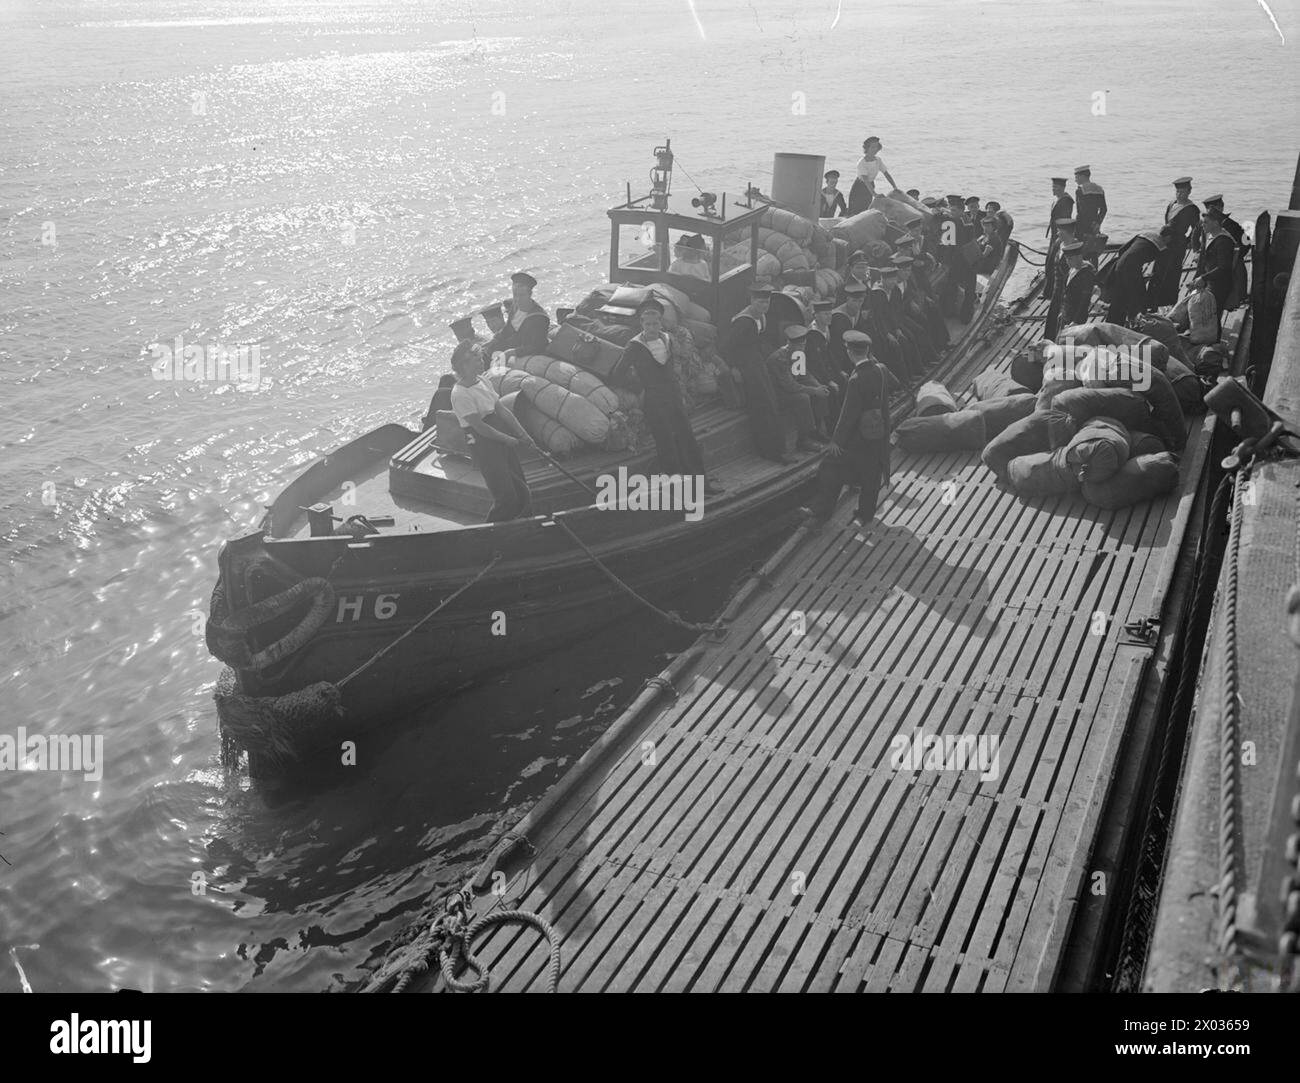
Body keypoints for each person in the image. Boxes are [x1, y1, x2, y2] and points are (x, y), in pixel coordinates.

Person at [620, 298, 723, 491]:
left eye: (656, 323)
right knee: (666, 444)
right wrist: (640, 386)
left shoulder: (667, 339)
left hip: (674, 396)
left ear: (661, 323)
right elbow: (620, 371)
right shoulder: (634, 346)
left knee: (687, 439)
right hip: (655, 400)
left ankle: (701, 486)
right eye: (648, 324)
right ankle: (678, 490)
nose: (652, 327)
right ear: (641, 324)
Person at [799, 331, 900, 527]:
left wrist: (836, 440)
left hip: (858, 436)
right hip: (878, 431)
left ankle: (820, 510)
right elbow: (895, 385)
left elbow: (848, 414)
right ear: (868, 350)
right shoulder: (881, 370)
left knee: (831, 467)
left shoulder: (856, 379)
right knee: (872, 473)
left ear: (849, 353)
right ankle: (866, 514)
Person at [449, 339, 535, 522]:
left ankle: (525, 523)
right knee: (505, 496)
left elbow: (501, 410)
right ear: (463, 366)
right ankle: (490, 531)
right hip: (482, 442)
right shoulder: (460, 394)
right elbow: (479, 427)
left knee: (521, 487)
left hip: (497, 431)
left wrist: (522, 434)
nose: (482, 363)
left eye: (481, 359)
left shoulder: (483, 381)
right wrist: (506, 439)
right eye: (477, 360)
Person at [723, 284, 788, 462]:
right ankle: (771, 451)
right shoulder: (744, 321)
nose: (764, 306)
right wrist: (734, 367)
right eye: (760, 303)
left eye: (766, 303)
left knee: (771, 401)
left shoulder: (760, 317)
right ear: (752, 301)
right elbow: (728, 346)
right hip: (747, 365)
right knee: (763, 405)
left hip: (757, 362)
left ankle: (775, 448)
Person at [766, 325, 827, 451]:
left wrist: (817, 386)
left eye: (803, 345)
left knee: (819, 392)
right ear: (789, 344)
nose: (802, 349)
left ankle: (815, 431)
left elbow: (804, 375)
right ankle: (803, 440)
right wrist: (814, 391)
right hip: (777, 394)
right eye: (799, 346)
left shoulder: (798, 354)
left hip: (790, 390)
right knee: (803, 398)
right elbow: (790, 386)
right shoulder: (778, 358)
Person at [1104, 226, 1169, 326]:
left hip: (1119, 266)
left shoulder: (1145, 235)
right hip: (1131, 270)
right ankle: (1136, 322)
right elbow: (1159, 272)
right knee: (1139, 296)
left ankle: (1111, 324)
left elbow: (1122, 249)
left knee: (1120, 296)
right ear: (1168, 237)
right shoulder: (1162, 247)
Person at [1152, 176, 1200, 307]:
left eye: (1183, 192)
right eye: (1177, 192)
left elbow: (1197, 229)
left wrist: (1187, 241)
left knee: (1173, 273)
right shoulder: (1172, 204)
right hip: (1165, 242)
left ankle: (1169, 302)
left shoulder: (1192, 208)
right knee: (1159, 270)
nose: (1179, 195)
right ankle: (1154, 300)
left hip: (1178, 244)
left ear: (1189, 191)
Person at [484, 271, 550, 360]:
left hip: (529, 353)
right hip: (515, 343)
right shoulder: (515, 307)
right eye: (515, 295)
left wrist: (513, 352)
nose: (518, 299)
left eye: (522, 295)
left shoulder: (539, 317)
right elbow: (508, 328)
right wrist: (494, 339)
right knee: (488, 351)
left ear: (530, 294)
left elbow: (537, 346)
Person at [1198, 210, 1236, 327]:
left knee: (1211, 312)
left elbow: (1223, 267)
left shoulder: (1223, 241)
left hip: (1219, 283)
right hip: (1212, 279)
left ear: (1215, 223)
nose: (1202, 225)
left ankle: (1213, 338)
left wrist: (1203, 278)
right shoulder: (1213, 236)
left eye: (1206, 222)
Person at [1043, 218, 1079, 341]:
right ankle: (1048, 342)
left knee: (1065, 319)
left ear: (1068, 232)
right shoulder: (1058, 243)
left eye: (1060, 231)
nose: (1057, 233)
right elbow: (1049, 264)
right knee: (1052, 317)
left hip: (1069, 292)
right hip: (1057, 289)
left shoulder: (1076, 248)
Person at [829, 281, 869, 380]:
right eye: (854, 301)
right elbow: (838, 344)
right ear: (847, 299)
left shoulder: (858, 312)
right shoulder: (838, 317)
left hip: (851, 349)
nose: (857, 305)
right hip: (837, 353)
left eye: (860, 301)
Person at [1043, 178, 1075, 301]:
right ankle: (1049, 291)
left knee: (1053, 263)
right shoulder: (1058, 200)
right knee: (1049, 263)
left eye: (1056, 187)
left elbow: (1065, 220)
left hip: (1060, 235)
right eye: (1053, 187)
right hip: (1055, 234)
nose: (1053, 189)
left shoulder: (1066, 201)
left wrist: (1060, 237)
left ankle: (1051, 292)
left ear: (1062, 188)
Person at [848, 136, 897, 213]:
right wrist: (874, 194)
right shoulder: (862, 162)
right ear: (867, 148)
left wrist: (895, 187)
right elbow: (865, 180)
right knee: (855, 211)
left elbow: (886, 174)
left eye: (876, 147)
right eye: (872, 147)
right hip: (859, 187)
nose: (875, 149)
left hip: (870, 185)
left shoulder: (878, 160)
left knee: (866, 209)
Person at [1059, 241, 1096, 327]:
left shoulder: (1087, 274)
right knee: (1063, 339)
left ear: (1079, 257)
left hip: (1075, 318)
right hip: (1067, 315)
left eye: (1070, 259)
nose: (1067, 262)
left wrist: (1076, 321)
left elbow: (1085, 300)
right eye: (1066, 259)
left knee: (1070, 340)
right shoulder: (1072, 270)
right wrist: (1063, 311)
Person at [1074, 166, 1108, 239]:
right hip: (1094, 224)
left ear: (1082, 176)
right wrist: (1098, 223)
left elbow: (1081, 211)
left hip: (1082, 225)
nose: (1075, 180)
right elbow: (1104, 209)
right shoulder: (1099, 189)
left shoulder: (1080, 190)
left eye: (1076, 177)